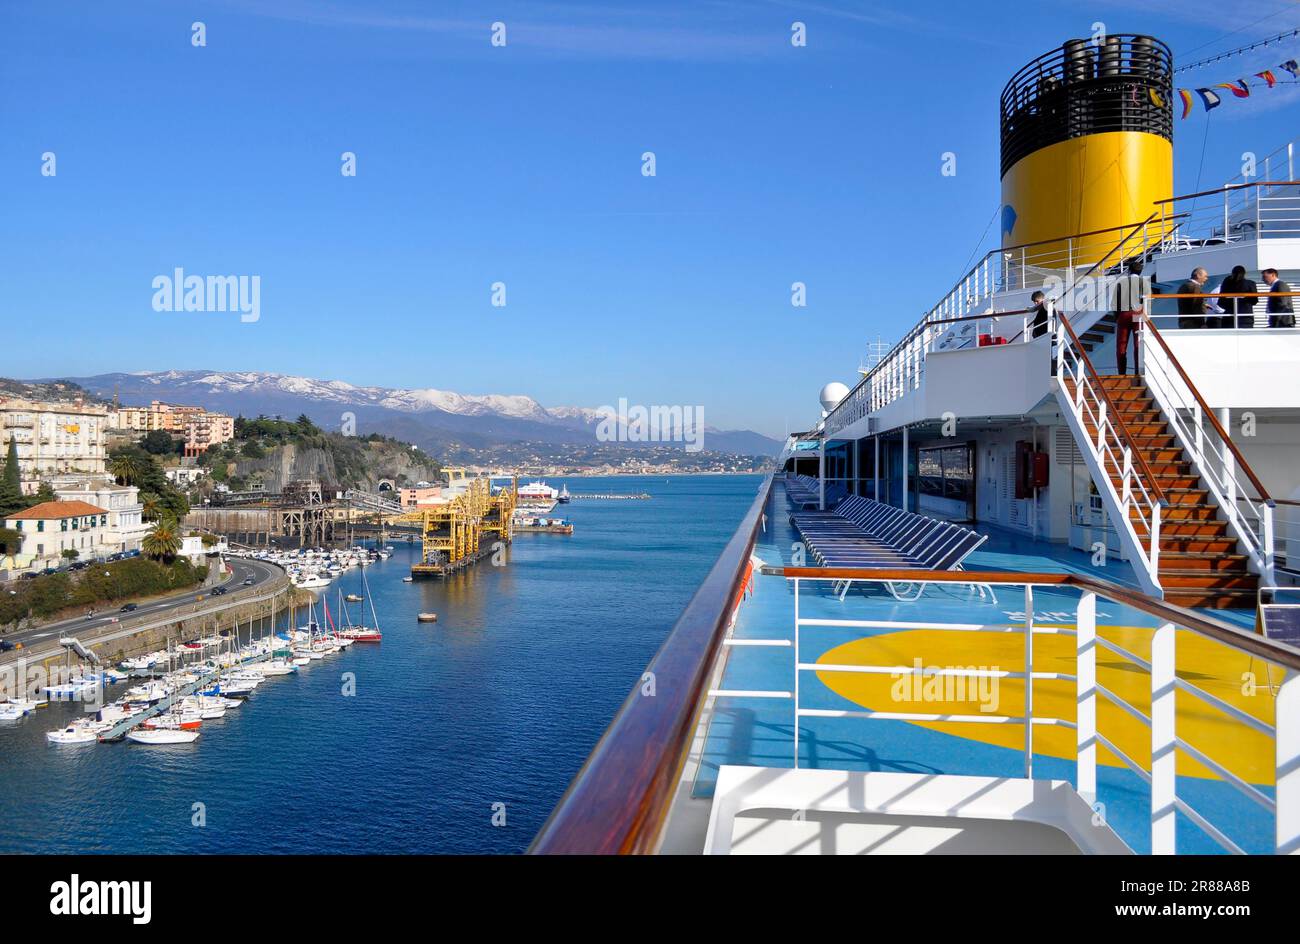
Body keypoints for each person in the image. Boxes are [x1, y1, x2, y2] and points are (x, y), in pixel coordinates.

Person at [1112, 259, 1145, 375]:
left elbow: (1115, 303)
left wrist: (1118, 317)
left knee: (1121, 345)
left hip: (1124, 314)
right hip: (1138, 314)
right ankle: (1138, 371)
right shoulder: (1144, 283)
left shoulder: (1121, 283)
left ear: (1129, 271)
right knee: (1138, 344)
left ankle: (1122, 373)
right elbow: (1146, 300)